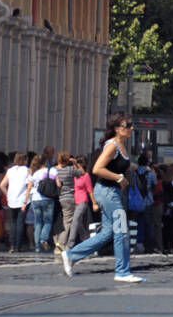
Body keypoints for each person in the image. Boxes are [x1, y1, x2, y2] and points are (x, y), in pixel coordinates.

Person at [62, 114, 146, 282]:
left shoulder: (121, 146)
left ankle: (71, 255)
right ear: (116, 128)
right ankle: (122, 272)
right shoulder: (112, 145)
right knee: (122, 230)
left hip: (111, 192)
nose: (131, 128)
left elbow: (117, 165)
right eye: (127, 125)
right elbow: (97, 168)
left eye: (131, 124)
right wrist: (119, 177)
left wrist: (130, 168)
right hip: (107, 192)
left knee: (108, 232)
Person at [24, 153, 58, 256]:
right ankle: (44, 238)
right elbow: (58, 183)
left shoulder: (35, 173)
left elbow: (29, 187)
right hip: (48, 198)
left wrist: (25, 202)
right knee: (48, 221)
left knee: (37, 222)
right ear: (46, 162)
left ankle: (37, 246)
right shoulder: (52, 171)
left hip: (35, 199)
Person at [65, 154, 99, 249]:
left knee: (75, 221)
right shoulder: (74, 175)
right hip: (73, 201)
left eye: (78, 163)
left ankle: (69, 245)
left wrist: (94, 203)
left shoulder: (86, 175)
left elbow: (90, 190)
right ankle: (86, 240)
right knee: (78, 223)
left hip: (82, 200)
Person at [0, 153, 31, 252]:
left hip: (12, 199)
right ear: (25, 160)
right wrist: (26, 200)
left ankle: (12, 245)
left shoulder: (10, 170)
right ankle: (18, 245)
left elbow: (2, 185)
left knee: (13, 222)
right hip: (22, 199)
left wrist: (8, 194)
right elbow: (29, 186)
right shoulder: (27, 170)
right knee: (20, 222)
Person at [53, 151, 78, 255]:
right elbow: (82, 173)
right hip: (69, 197)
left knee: (57, 221)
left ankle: (56, 241)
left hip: (56, 198)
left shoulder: (54, 170)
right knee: (67, 222)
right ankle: (61, 244)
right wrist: (75, 163)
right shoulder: (71, 169)